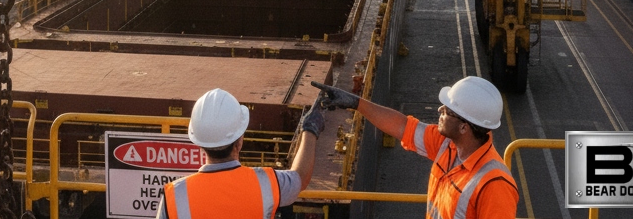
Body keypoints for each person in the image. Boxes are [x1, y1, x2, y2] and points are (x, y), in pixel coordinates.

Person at [312, 77, 518, 219]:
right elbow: (402, 126)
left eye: (447, 111)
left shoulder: (495, 184)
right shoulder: (447, 145)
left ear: (464, 127)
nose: (440, 111)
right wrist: (356, 103)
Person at [157, 88, 324, 219]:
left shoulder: (175, 196)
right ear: (240, 141)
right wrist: (310, 130)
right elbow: (300, 177)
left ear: (200, 143)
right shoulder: (266, 183)